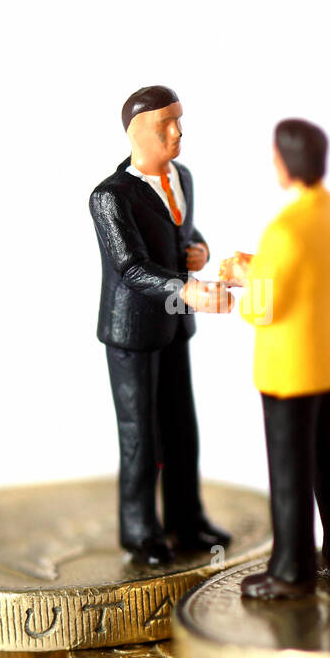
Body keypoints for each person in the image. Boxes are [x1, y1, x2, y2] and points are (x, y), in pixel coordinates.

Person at [220, 119, 330, 598]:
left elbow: (265, 308)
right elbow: (309, 274)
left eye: (275, 156)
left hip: (291, 369)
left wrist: (245, 278)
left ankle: (291, 570)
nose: (273, 163)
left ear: (288, 164)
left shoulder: (284, 230)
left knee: (290, 473)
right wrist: (260, 266)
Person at [90, 85, 233, 567]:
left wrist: (201, 251)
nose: (176, 132)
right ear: (136, 134)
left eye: (178, 121)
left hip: (175, 325)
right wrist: (187, 288)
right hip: (132, 331)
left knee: (182, 427)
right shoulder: (110, 197)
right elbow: (130, 267)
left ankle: (186, 519)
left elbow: (182, 233)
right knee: (140, 435)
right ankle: (140, 531)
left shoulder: (183, 177)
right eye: (163, 125)